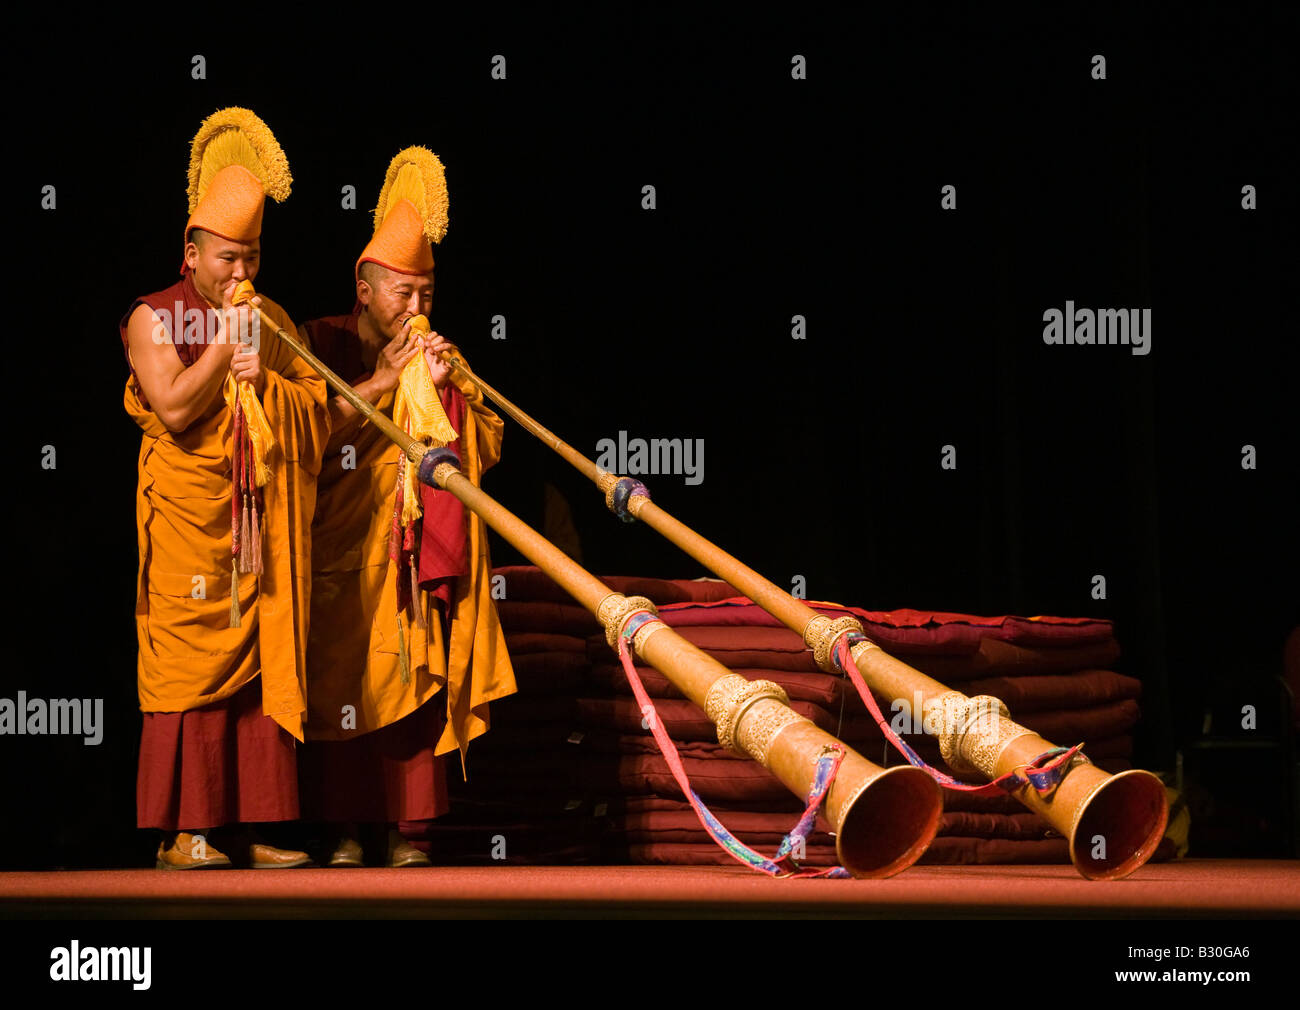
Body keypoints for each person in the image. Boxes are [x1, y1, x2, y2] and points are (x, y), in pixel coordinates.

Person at [120, 108, 328, 869]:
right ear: (191, 252)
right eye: (228, 260)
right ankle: (189, 831)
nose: (242, 275)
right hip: (189, 523)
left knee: (261, 656)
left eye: (253, 258)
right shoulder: (152, 318)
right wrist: (227, 351)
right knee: (190, 663)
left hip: (258, 520)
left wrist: (268, 382)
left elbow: (320, 411)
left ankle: (259, 824)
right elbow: (174, 406)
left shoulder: (269, 318)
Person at [297, 146, 516, 867]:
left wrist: (455, 387)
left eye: (427, 293)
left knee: (410, 669)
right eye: (402, 294)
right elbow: (304, 442)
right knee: (346, 681)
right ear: (364, 288)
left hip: (406, 550)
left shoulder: (434, 354)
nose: (417, 310)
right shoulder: (317, 343)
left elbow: (482, 447)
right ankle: (344, 829)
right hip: (335, 555)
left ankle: (403, 830)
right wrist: (385, 382)